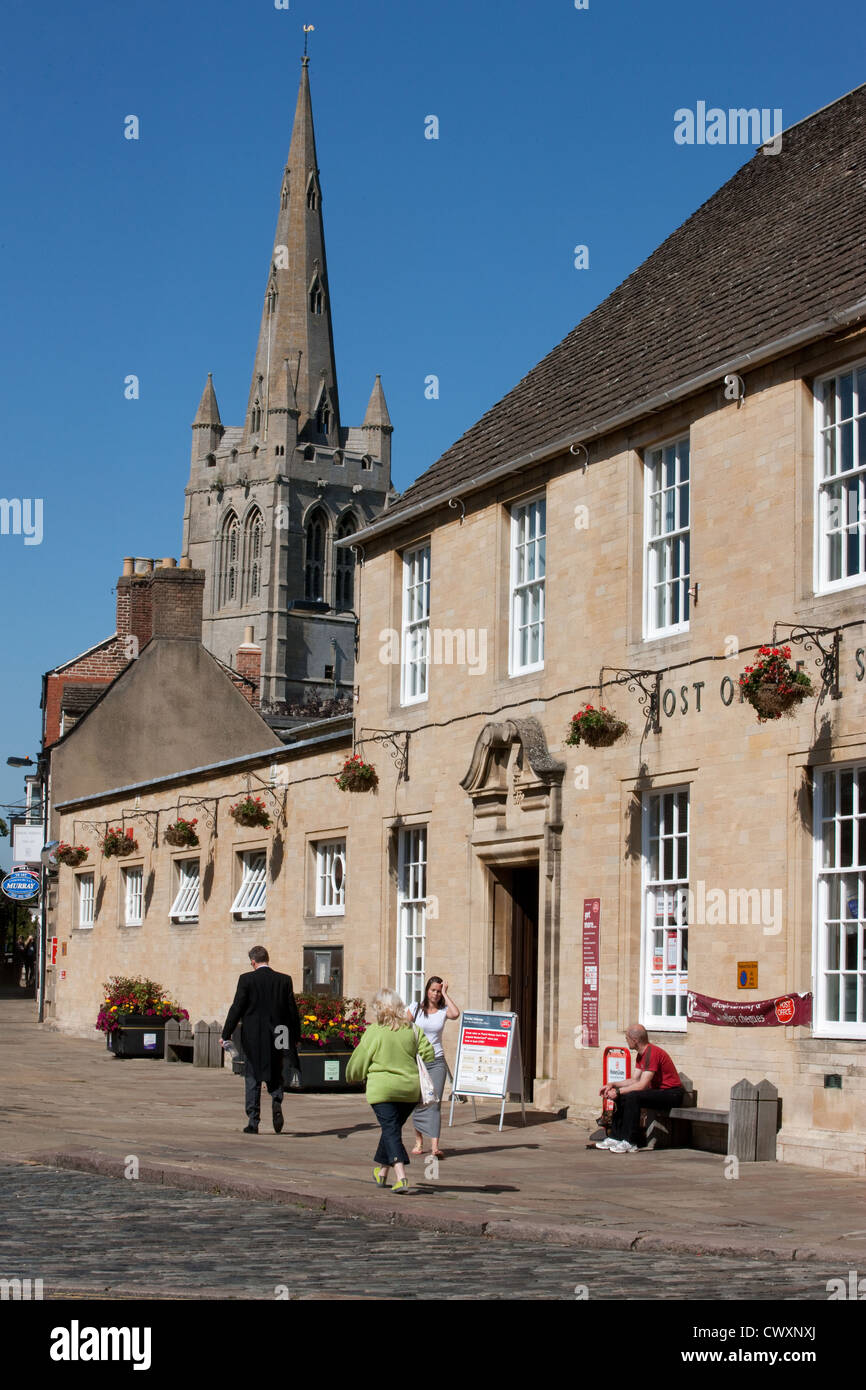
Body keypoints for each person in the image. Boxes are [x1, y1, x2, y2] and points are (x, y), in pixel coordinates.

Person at [346, 987, 434, 1194]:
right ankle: (382, 1172)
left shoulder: (375, 1031)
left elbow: (358, 1062)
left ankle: (401, 1177)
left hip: (382, 1091)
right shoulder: (412, 1029)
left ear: (379, 1009)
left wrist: (351, 1076)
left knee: (391, 1130)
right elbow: (429, 1054)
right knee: (391, 1129)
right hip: (409, 1091)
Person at [221, 945, 300, 1134]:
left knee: (252, 1075)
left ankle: (253, 1120)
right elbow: (292, 1011)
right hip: (279, 1034)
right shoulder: (284, 980)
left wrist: (226, 1033)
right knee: (275, 1069)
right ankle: (276, 1100)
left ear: (253, 962)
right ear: (268, 959)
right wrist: (295, 1036)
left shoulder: (247, 979)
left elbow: (237, 1007)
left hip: (254, 1035)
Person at [597, 1024, 683, 1153]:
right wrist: (613, 1085)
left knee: (633, 1096)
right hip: (659, 1092)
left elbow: (642, 1085)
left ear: (635, 1040)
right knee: (625, 1096)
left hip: (672, 1094)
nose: (626, 1041)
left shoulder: (652, 1053)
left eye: (627, 1038)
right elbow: (634, 1080)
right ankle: (616, 1137)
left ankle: (630, 1141)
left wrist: (618, 1091)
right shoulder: (641, 1055)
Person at [406, 976, 459, 1159]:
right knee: (419, 1101)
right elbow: (404, 1026)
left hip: (437, 1061)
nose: (435, 994)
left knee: (434, 1102)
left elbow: (456, 1014)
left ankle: (435, 1146)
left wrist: (446, 992)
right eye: (433, 990)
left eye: (438, 991)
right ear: (427, 990)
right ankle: (419, 1141)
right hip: (418, 1061)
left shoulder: (443, 1011)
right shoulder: (415, 1008)